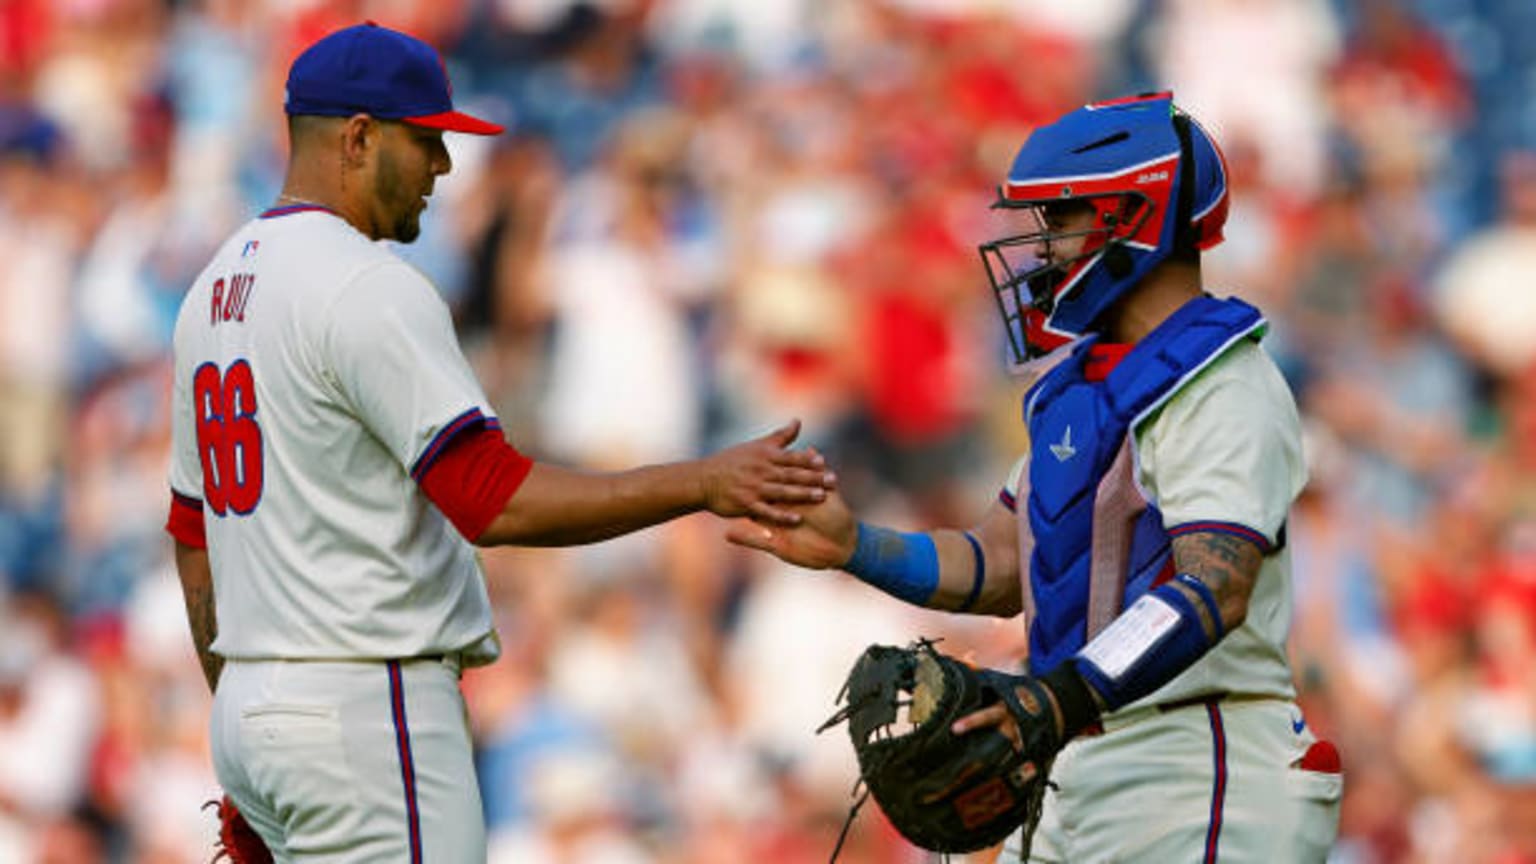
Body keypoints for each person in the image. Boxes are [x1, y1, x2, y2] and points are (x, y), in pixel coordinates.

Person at [163, 22, 834, 862]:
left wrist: (251, 723)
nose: (444, 167)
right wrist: (701, 482)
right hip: (364, 706)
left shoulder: (213, 289)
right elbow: (492, 500)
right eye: (428, 140)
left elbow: (196, 542)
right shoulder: (366, 284)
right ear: (361, 137)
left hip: (256, 709)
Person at [729, 92, 1343, 861]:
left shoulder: (1222, 381)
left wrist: (1058, 696)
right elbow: (1004, 563)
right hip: (1077, 759)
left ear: (1134, 215)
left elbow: (1212, 586)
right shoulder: (1078, 389)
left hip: (1201, 762)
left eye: (1060, 222)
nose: (1040, 250)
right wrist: (856, 545)